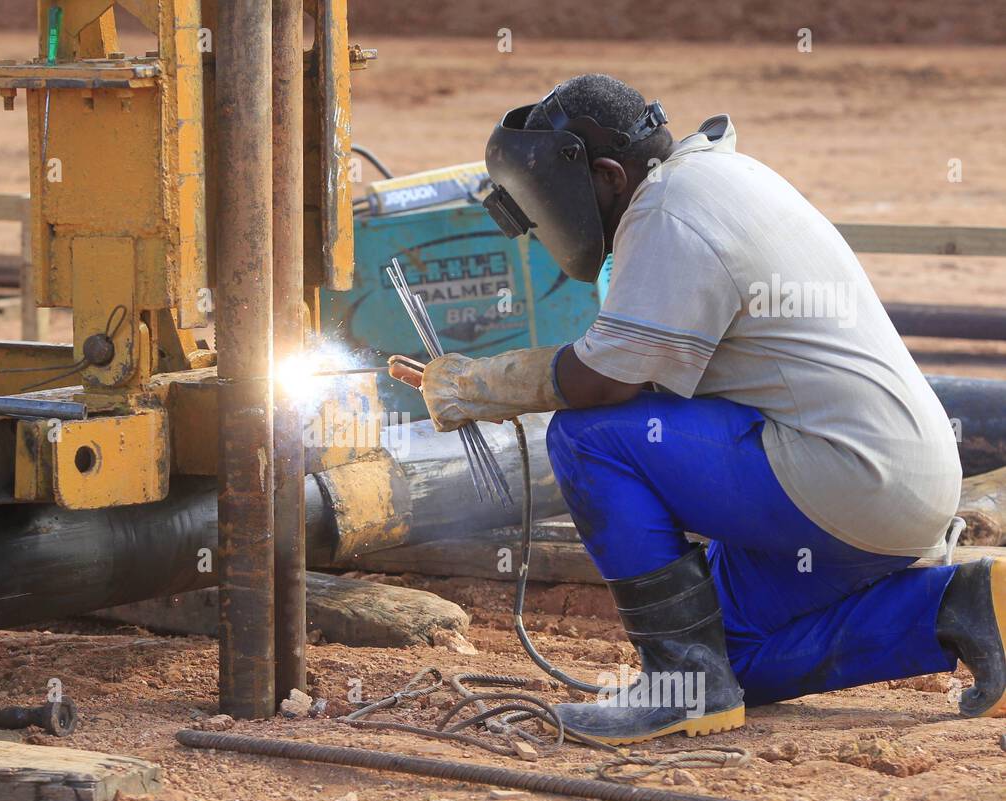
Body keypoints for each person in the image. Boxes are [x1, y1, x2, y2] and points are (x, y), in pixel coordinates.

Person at [389, 73, 1005, 745]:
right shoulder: (717, 179)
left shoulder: (670, 211)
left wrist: (472, 385)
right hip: (891, 487)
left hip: (844, 477)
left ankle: (680, 685)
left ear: (606, 176)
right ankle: (962, 608)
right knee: (725, 657)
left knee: (588, 438)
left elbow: (602, 383)